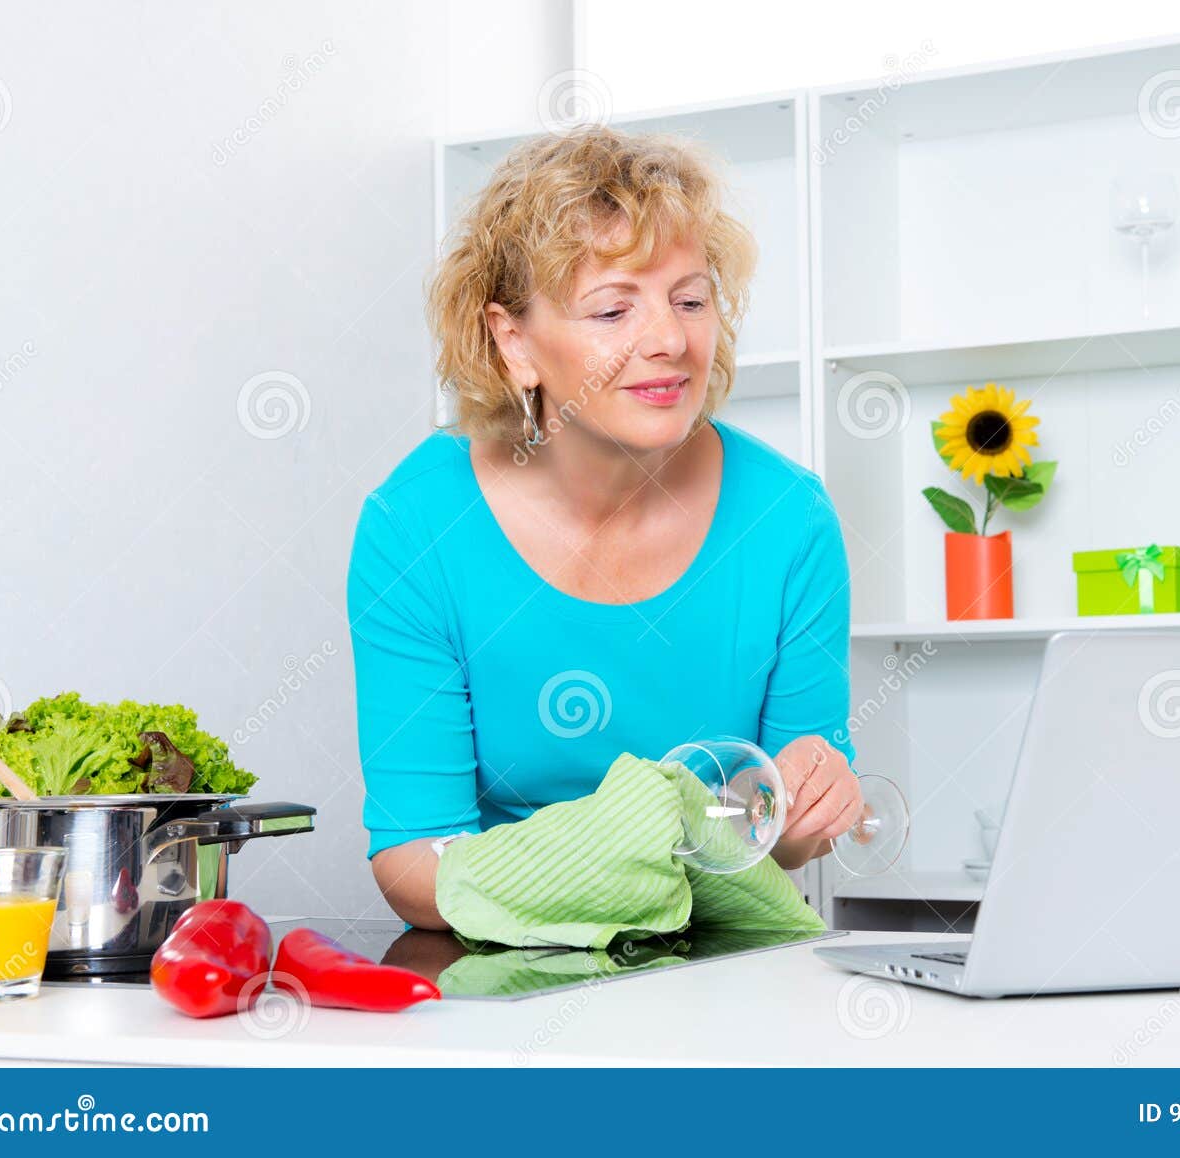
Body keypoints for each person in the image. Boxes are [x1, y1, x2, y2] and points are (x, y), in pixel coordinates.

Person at [348, 124, 862, 930]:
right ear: (514, 341)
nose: (670, 340)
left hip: (721, 962)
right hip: (510, 963)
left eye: (690, 301)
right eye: (614, 309)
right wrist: (619, 863)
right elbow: (414, 859)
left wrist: (807, 805)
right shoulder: (416, 526)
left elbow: (789, 840)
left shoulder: (788, 519)